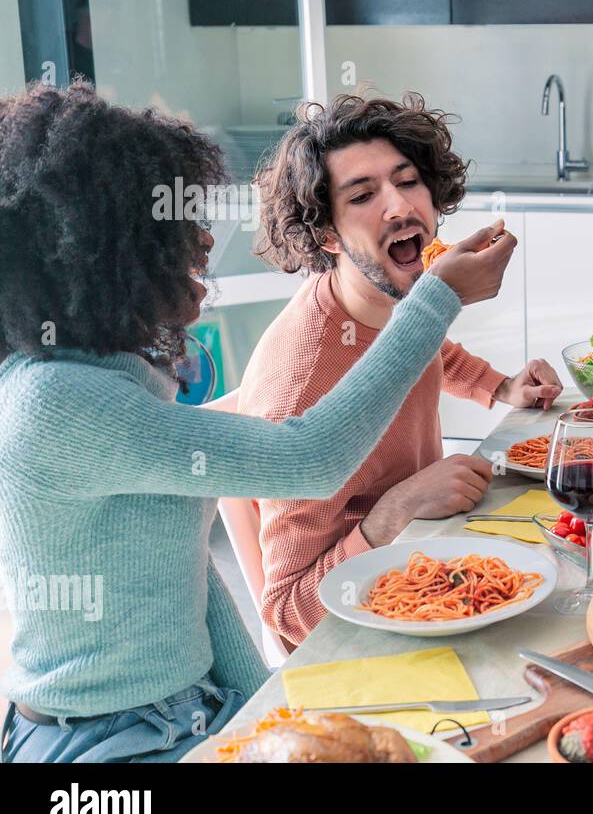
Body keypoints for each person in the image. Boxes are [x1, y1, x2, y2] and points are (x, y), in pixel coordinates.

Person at [0, 82, 515, 762]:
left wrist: (260, 715)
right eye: (173, 228)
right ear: (104, 253)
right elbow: (311, 458)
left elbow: (191, 580)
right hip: (104, 745)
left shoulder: (115, 372)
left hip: (187, 713)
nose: (206, 239)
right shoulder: (58, 403)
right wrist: (440, 296)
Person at [240, 93, 561, 646]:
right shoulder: (302, 380)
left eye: (408, 181)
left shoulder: (389, 306)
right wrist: (396, 511)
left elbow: (425, 348)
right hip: (358, 629)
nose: (399, 208)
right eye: (363, 195)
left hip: (428, 564)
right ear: (325, 234)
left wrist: (500, 388)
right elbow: (287, 613)